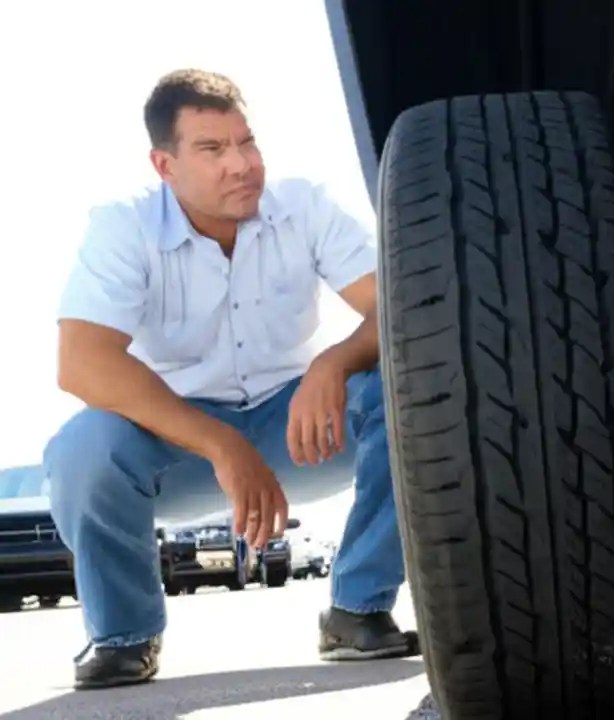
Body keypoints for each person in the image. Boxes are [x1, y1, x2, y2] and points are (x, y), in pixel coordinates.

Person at [43, 68, 416, 690]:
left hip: (298, 428)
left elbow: (400, 306)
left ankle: (358, 609)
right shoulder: (122, 227)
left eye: (246, 142)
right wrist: (222, 445)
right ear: (166, 167)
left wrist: (333, 362)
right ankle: (125, 637)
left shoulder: (304, 206)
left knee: (410, 397)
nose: (241, 164)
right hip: (175, 448)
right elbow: (82, 361)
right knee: (83, 448)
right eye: (213, 149)